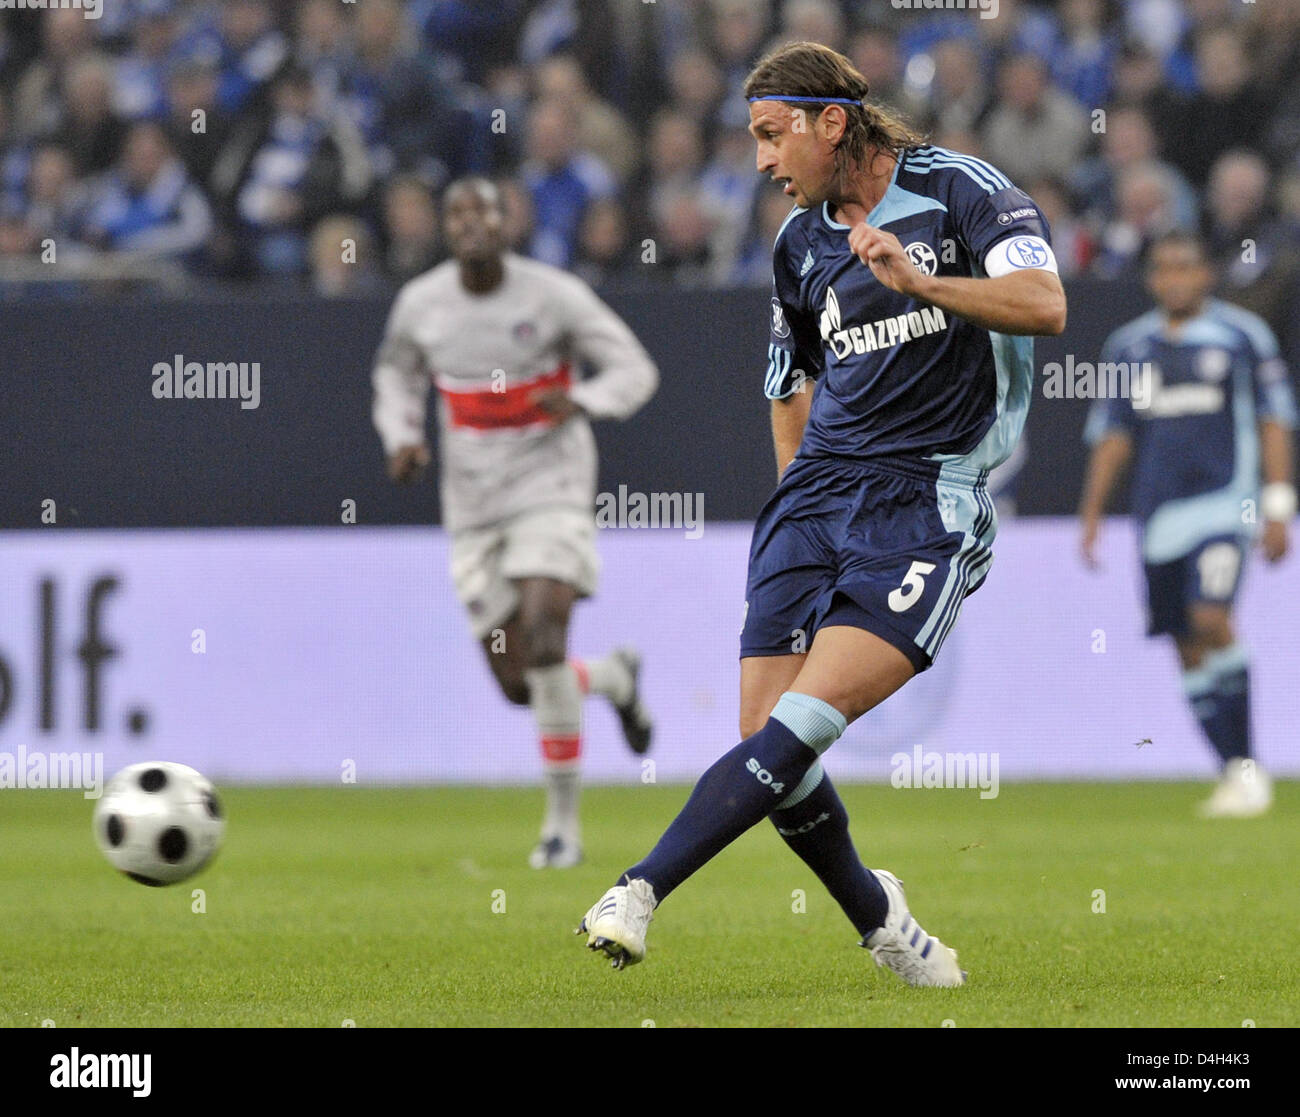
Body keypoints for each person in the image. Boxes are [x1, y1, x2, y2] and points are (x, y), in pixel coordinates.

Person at [578, 41, 1066, 985]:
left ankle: (640, 886)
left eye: (771, 136)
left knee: (800, 722)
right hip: (815, 498)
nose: (761, 161)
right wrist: (794, 511)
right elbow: (788, 383)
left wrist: (922, 285)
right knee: (771, 737)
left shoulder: (963, 191)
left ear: (830, 123)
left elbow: (1044, 304)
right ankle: (883, 920)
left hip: (927, 495)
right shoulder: (797, 245)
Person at [371, 177, 659, 868]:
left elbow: (634, 368)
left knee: (543, 633)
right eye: (457, 213)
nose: (471, 223)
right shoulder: (422, 304)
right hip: (472, 506)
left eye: (484, 212)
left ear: (507, 225)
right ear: (446, 229)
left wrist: (583, 398)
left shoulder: (552, 295)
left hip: (550, 485)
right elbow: (395, 376)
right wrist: (401, 436)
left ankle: (562, 825)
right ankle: (613, 678)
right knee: (517, 682)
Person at [1079, 232, 1295, 818]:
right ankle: (1234, 772)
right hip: (1158, 518)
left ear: (1207, 276)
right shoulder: (1130, 346)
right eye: (1164, 269)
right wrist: (1092, 514)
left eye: (1186, 268)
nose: (1175, 279)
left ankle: (1249, 767)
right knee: (1183, 641)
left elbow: (1275, 421)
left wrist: (1277, 506)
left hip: (1226, 506)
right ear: (1152, 279)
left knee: (1211, 617)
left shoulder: (1242, 337)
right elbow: (1115, 434)